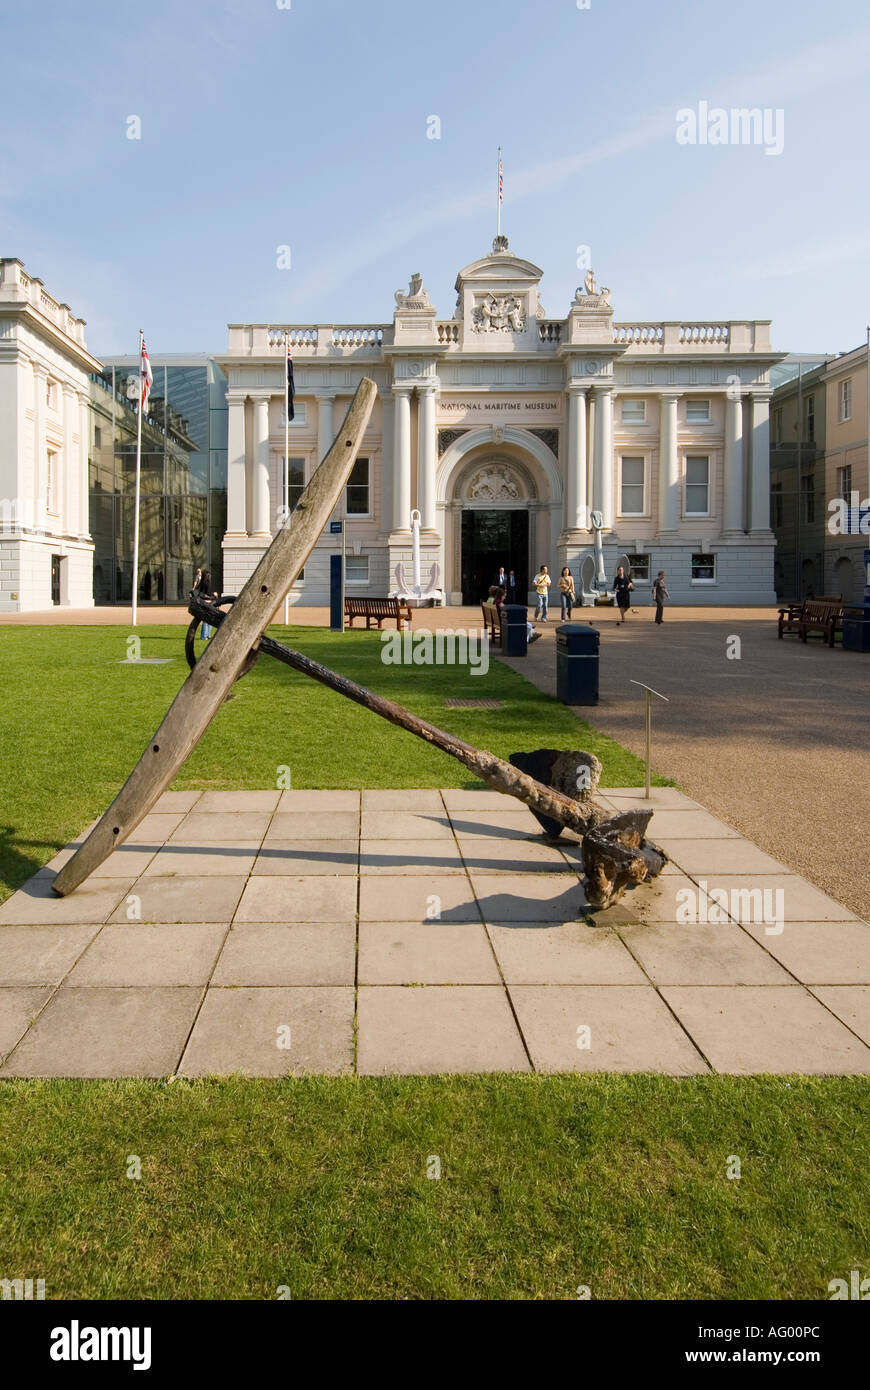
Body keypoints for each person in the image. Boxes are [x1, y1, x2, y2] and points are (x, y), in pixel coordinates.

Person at [193, 566, 216, 640]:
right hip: (206, 602)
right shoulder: (206, 584)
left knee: (208, 620)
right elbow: (207, 593)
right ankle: (204, 636)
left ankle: (207, 635)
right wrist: (214, 595)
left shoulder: (202, 583)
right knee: (207, 620)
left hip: (204, 602)